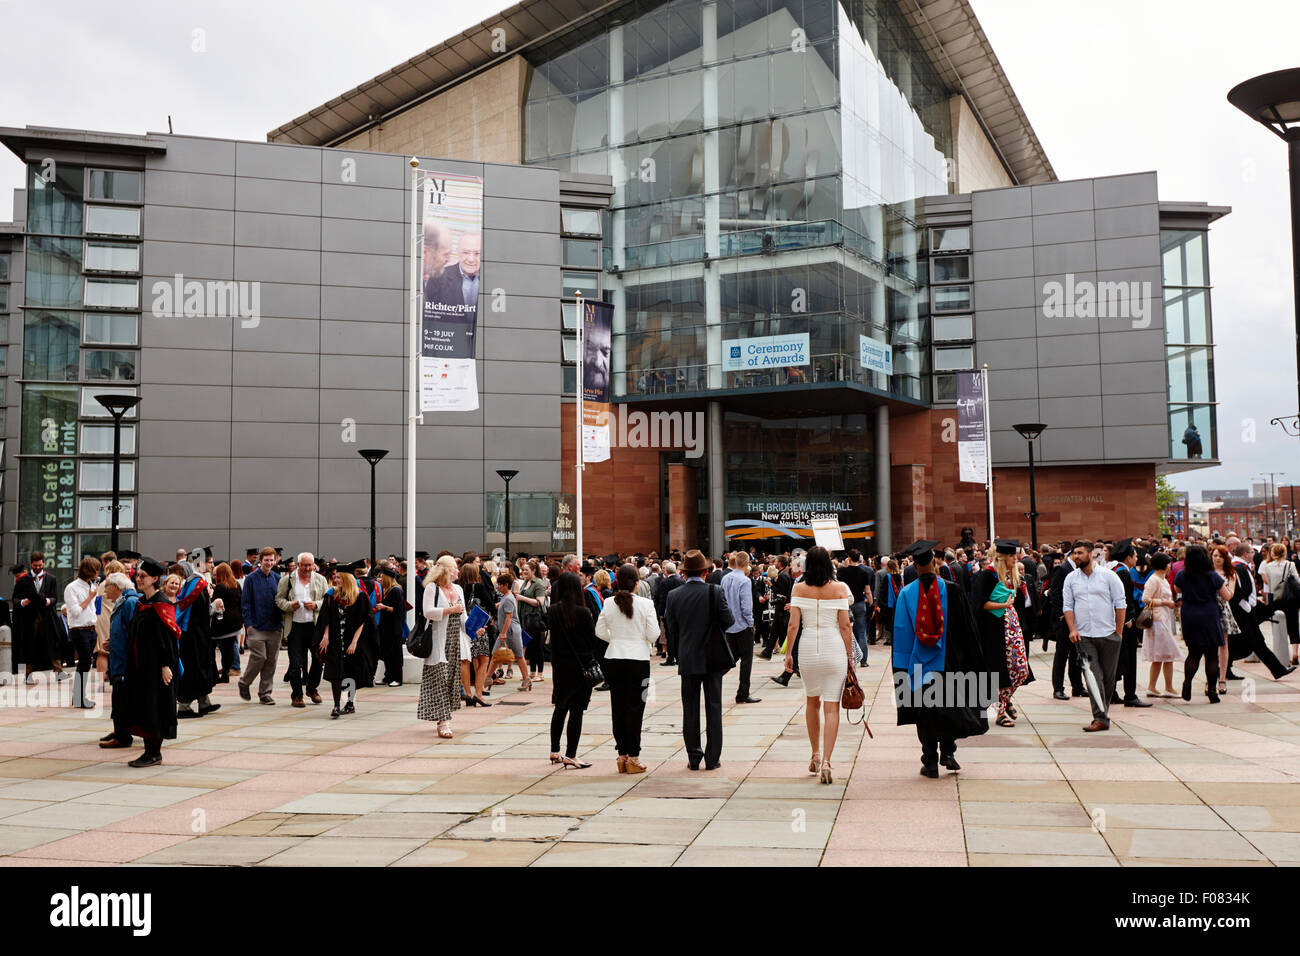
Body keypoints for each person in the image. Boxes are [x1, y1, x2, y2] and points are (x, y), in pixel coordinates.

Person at [891, 540, 991, 777]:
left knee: (925, 712)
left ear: (915, 566)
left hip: (918, 664)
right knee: (949, 707)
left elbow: (902, 631)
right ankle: (948, 752)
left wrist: (901, 668)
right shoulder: (953, 590)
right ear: (935, 563)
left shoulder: (906, 593)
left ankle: (930, 761)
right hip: (949, 661)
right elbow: (967, 630)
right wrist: (971, 660)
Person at [787, 546, 853, 784]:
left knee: (812, 701)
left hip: (807, 646)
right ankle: (826, 760)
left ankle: (815, 753)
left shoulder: (798, 588)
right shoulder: (839, 589)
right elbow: (845, 626)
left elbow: (793, 625)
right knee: (832, 707)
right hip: (833, 646)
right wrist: (851, 657)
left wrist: (788, 655)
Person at [665, 549, 735, 771]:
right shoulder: (715, 591)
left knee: (690, 708)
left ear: (684, 573)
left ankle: (694, 756)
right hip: (712, 656)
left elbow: (671, 628)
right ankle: (712, 758)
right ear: (706, 572)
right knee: (714, 707)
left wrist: (678, 650)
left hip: (688, 657)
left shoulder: (674, 595)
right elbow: (729, 620)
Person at [595, 564, 659, 774]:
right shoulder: (646, 604)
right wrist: (638, 640)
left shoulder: (609, 603)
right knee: (636, 709)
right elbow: (654, 634)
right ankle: (634, 756)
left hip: (614, 658)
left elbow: (599, 630)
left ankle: (622, 754)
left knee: (618, 707)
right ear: (637, 583)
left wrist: (616, 640)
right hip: (638, 660)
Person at [122, 558, 181, 768]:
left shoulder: (161, 605)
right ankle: (149, 751)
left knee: (156, 707)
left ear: (155, 579)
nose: (138, 579)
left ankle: (154, 753)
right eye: (138, 576)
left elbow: (167, 638)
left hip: (157, 668)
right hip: (142, 667)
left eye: (143, 576)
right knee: (145, 706)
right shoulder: (143, 603)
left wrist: (165, 665)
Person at [972, 540, 1034, 728]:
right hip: (994, 629)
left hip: (1010, 626)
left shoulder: (1008, 576)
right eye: (1012, 557)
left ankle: (1005, 701)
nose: (1015, 560)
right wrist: (1004, 605)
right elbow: (980, 604)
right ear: (1004, 558)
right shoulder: (987, 576)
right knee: (1001, 670)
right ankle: (1000, 710)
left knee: (1020, 669)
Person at [548, 571, 596, 769]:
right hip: (580, 668)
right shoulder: (583, 613)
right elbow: (591, 642)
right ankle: (571, 754)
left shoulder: (553, 611)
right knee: (577, 710)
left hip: (560, 667)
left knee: (560, 707)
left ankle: (554, 750)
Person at [1174, 544, 1233, 703]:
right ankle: (1212, 692)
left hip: (1190, 614)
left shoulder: (1182, 574)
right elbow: (1226, 596)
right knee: (1211, 654)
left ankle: (1187, 682)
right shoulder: (1212, 576)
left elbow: (1177, 589)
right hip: (1209, 614)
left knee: (1193, 653)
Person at [275, 552, 328, 706]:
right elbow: (278, 599)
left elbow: (327, 600)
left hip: (314, 626)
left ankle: (312, 688)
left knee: (318, 660)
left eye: (310, 565)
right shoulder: (288, 580)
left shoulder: (320, 579)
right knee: (295, 664)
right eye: (304, 565)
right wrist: (290, 606)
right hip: (295, 627)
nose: (307, 568)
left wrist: (316, 604)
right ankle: (297, 695)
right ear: (298, 565)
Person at [98, 571, 140, 749]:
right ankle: (119, 730)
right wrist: (113, 643)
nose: (104, 590)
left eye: (106, 586)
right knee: (118, 697)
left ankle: (123, 735)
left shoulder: (129, 602)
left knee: (122, 699)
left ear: (115, 587)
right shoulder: (123, 601)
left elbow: (134, 632)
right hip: (119, 658)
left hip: (124, 662)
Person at [1110, 539, 1152, 709]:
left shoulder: (1114, 569)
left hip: (1115, 622)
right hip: (1124, 623)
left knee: (1116, 659)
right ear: (1128, 557)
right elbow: (1124, 599)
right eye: (1135, 555)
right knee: (1128, 661)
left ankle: (1112, 693)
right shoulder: (1124, 573)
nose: (1137, 559)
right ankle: (1130, 695)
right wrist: (1129, 620)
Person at [174, 562, 219, 719]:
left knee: (197, 668)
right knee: (195, 669)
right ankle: (184, 707)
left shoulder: (190, 585)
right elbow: (204, 611)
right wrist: (215, 605)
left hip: (190, 634)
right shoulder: (198, 585)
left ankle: (204, 702)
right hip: (196, 636)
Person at [239, 547, 282, 705]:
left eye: (272, 560)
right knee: (259, 657)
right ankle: (244, 682)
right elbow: (245, 603)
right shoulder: (250, 579)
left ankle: (265, 693)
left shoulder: (277, 579)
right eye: (266, 560)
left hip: (275, 627)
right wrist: (248, 625)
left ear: (275, 561)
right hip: (256, 626)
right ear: (260, 561)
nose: (269, 563)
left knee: (271, 661)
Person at [12, 553, 62, 685]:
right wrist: (24, 602)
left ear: (44, 563)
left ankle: (59, 672)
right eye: (35, 566)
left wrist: (48, 601)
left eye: (40, 565)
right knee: (29, 645)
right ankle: (28, 675)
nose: (38, 568)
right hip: (29, 618)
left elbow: (55, 597)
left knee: (52, 642)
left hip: (47, 616)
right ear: (31, 565)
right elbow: (15, 599)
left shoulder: (51, 578)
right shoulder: (22, 580)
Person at [1141, 552, 1183, 697]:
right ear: (1164, 565)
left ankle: (1153, 687)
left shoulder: (1162, 579)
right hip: (1157, 621)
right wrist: (1165, 602)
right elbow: (1145, 599)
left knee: (1161, 656)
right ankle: (1168, 687)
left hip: (1163, 618)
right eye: (1168, 563)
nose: (1170, 565)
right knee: (1167, 654)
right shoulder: (1154, 580)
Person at [721, 551, 760, 704]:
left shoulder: (725, 578)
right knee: (746, 660)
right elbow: (746, 606)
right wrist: (751, 624)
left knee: (732, 657)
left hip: (729, 625)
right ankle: (743, 693)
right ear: (746, 564)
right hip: (742, 625)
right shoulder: (744, 581)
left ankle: (715, 676)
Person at [63, 556, 102, 708]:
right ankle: (79, 697)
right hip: (79, 629)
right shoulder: (72, 588)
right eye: (96, 570)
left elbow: (93, 609)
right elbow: (76, 611)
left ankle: (79, 697)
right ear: (89, 571)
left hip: (91, 628)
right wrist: (91, 597)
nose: (98, 573)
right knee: (84, 661)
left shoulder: (91, 586)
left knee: (87, 663)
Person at [483, 570, 529, 691]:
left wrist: (503, 633)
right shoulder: (507, 597)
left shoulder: (508, 598)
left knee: (518, 655)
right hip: (508, 630)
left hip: (510, 631)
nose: (498, 587)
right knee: (495, 655)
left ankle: (526, 679)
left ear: (506, 585)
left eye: (500, 584)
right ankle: (488, 678)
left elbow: (509, 617)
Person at [1258, 542, 1300, 666]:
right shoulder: (1290, 564)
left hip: (1276, 599)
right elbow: (1297, 580)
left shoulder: (1268, 566)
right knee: (1293, 626)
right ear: (1284, 553)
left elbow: (1269, 584)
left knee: (1278, 626)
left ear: (1273, 553)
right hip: (1290, 599)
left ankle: (1281, 653)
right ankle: (1295, 653)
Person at [457, 562, 493, 704]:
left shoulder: (459, 588)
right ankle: (479, 693)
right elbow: (490, 604)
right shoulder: (478, 586)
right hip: (478, 624)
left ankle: (468, 694)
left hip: (464, 626)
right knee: (484, 659)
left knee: (466, 660)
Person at [210, 563, 244, 684]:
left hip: (221, 623)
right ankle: (226, 673)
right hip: (235, 623)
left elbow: (214, 604)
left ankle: (214, 675)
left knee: (210, 649)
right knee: (229, 649)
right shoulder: (236, 585)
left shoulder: (220, 587)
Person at [838, 550, 872, 665]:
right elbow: (867, 591)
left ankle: (848, 658)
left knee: (846, 631)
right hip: (860, 603)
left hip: (846, 604)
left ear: (849, 558)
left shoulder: (842, 571)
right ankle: (864, 660)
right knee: (861, 632)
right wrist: (871, 602)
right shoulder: (864, 572)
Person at [518, 561, 549, 685]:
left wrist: (522, 598)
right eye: (523, 570)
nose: (524, 572)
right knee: (530, 646)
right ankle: (531, 672)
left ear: (533, 570)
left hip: (535, 620)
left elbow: (540, 602)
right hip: (525, 619)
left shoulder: (539, 584)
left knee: (538, 647)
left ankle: (540, 673)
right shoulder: (525, 583)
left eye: (526, 570)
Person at [374, 565, 406, 687]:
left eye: (382, 577)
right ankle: (388, 677)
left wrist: (384, 607)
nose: (380, 580)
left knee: (395, 654)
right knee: (387, 653)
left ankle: (397, 678)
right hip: (386, 627)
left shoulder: (396, 591)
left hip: (394, 627)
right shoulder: (386, 591)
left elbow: (399, 610)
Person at [654, 561, 684, 665]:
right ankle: (679, 657)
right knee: (679, 635)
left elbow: (662, 599)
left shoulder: (664, 582)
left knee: (669, 635)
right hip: (680, 612)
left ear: (666, 571)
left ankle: (671, 658)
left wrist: (660, 612)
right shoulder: (681, 581)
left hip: (668, 612)